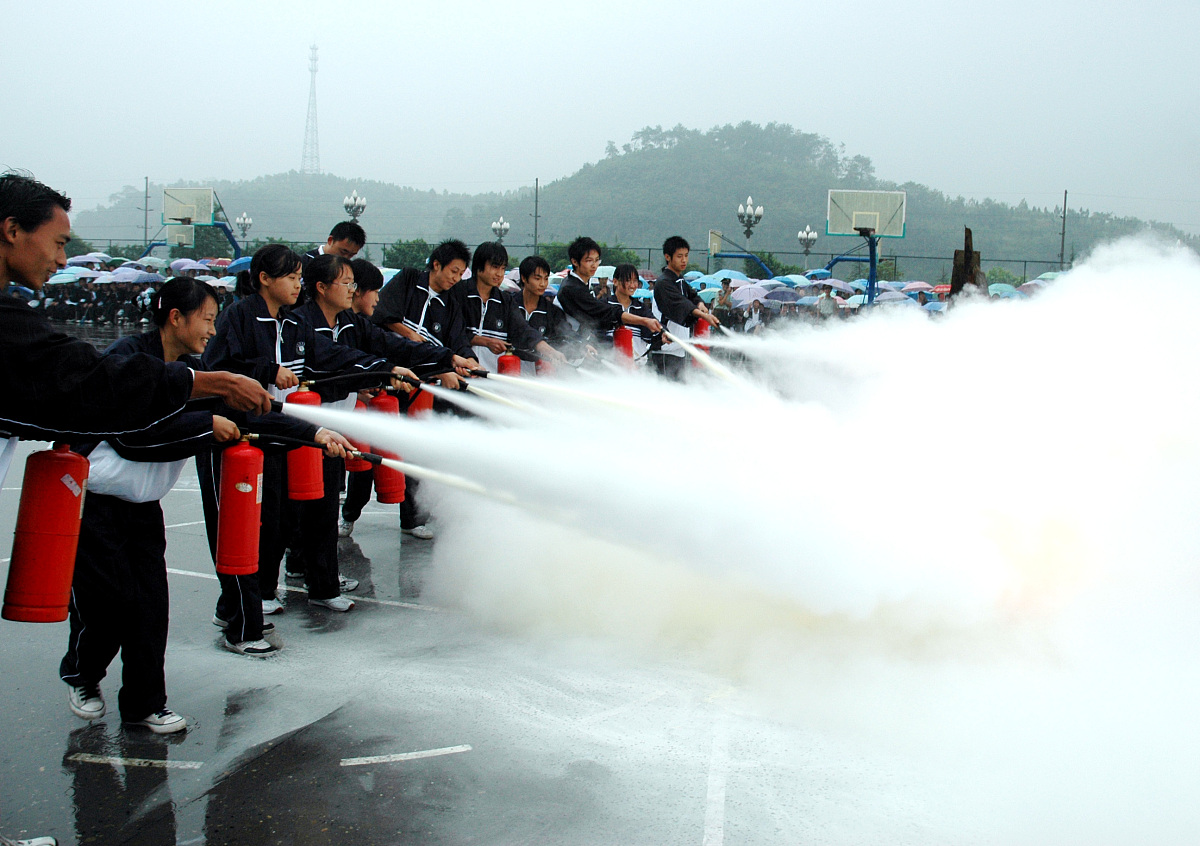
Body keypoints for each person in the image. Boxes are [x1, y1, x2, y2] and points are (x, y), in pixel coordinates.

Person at [59, 279, 246, 736]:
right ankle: (82, 675)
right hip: (95, 507)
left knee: (149, 608)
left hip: (144, 509)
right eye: (206, 318)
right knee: (106, 606)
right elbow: (135, 437)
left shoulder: (193, 369)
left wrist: (316, 434)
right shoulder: (127, 358)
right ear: (176, 317)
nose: (213, 329)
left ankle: (145, 705)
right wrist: (205, 424)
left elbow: (240, 414)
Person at [202, 245, 387, 628]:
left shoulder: (292, 321)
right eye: (290, 277)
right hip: (249, 434)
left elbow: (331, 354)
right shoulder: (239, 317)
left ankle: (296, 589)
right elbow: (219, 369)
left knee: (301, 516)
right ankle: (246, 600)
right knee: (261, 521)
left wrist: (382, 369)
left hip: (291, 430)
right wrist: (268, 371)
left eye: (299, 277)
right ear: (264, 280)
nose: (296, 285)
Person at [370, 239, 477, 390]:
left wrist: (470, 361)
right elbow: (381, 314)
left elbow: (458, 340)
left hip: (424, 381)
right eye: (454, 271)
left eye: (460, 274)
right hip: (389, 370)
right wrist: (410, 334)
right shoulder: (409, 279)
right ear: (437, 264)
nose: (456, 279)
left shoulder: (451, 305)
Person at [456, 241, 566, 372]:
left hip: (493, 375)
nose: (499, 274)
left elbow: (522, 329)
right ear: (479, 267)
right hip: (461, 373)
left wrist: (547, 349)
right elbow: (454, 332)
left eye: (503, 268)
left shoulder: (505, 301)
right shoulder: (459, 294)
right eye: (495, 267)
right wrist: (486, 341)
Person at [555, 237, 660, 355]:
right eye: (589, 260)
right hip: (567, 349)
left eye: (597, 260)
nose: (594, 265)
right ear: (574, 261)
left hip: (580, 346)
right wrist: (644, 321)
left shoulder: (581, 284)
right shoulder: (572, 288)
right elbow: (604, 312)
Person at [650, 236, 719, 379]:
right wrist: (705, 316)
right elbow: (681, 304)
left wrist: (700, 304)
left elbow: (693, 295)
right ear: (667, 257)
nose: (684, 260)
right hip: (665, 350)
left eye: (686, 256)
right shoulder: (664, 283)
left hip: (679, 348)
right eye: (679, 256)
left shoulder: (680, 281)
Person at [516, 255, 571, 374]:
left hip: (540, 375)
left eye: (546, 279)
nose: (543, 284)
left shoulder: (553, 312)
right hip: (507, 370)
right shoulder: (510, 305)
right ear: (524, 278)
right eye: (537, 278)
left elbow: (566, 337)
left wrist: (581, 346)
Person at [607, 264, 657, 360]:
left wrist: (662, 333)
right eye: (628, 281)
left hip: (637, 366)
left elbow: (653, 326)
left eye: (635, 281)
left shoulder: (641, 308)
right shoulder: (605, 305)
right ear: (615, 281)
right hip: (609, 365)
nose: (633, 285)